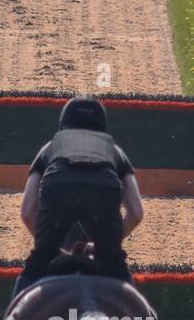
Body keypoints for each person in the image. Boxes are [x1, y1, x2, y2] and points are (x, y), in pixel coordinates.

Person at [12, 96, 143, 299]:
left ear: (63, 124)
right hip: (104, 191)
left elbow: (27, 210)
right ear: (102, 126)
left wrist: (50, 247)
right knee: (116, 266)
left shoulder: (49, 147)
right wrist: (107, 246)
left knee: (37, 265)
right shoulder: (115, 151)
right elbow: (136, 213)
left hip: (58, 187)